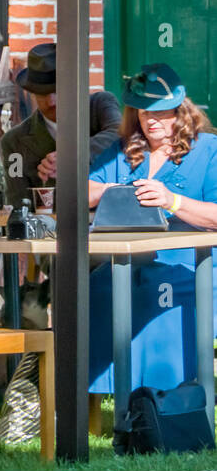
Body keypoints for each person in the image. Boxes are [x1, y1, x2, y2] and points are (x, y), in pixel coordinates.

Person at [86, 63, 217, 394]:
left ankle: (168, 398)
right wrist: (117, 192)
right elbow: (84, 192)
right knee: (96, 287)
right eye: (144, 113)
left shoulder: (208, 150)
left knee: (162, 289)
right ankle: (111, 394)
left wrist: (171, 201)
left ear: (180, 111)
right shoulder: (125, 150)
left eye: (161, 113)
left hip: (195, 264)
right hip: (129, 262)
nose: (152, 121)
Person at [0, 42, 122, 211]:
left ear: (74, 87)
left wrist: (70, 157)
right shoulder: (14, 142)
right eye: (42, 94)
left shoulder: (100, 105)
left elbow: (120, 134)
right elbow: (19, 204)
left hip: (112, 221)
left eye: (57, 91)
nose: (51, 101)